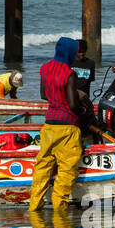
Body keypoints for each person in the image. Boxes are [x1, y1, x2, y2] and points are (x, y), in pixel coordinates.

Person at [30, 38, 84, 213]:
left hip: (49, 125)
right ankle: (59, 208)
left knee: (43, 167)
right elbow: (73, 104)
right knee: (67, 169)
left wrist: (56, 100)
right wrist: (82, 110)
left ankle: (34, 205)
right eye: (75, 52)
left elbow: (44, 94)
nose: (77, 55)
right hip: (67, 126)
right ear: (69, 52)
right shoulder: (70, 73)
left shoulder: (45, 68)